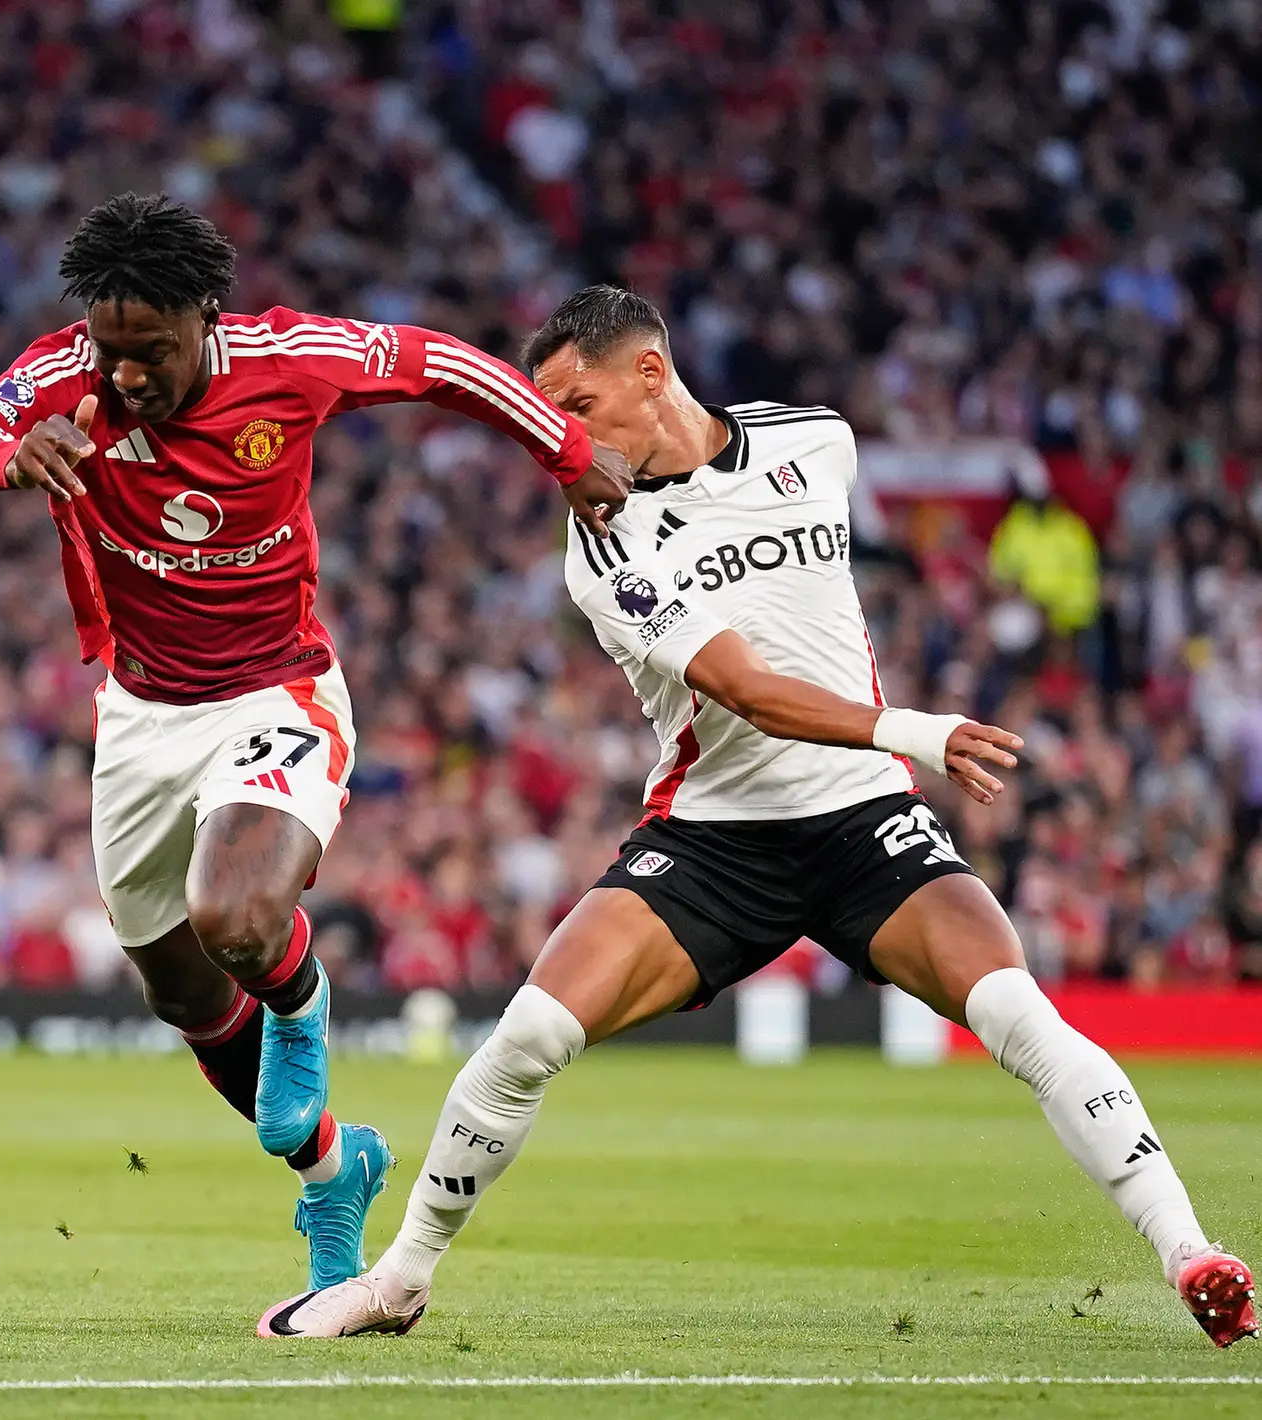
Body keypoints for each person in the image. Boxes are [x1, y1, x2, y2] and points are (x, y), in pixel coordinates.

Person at [257, 285, 1256, 1350]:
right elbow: (741, 686)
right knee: (527, 1036)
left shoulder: (814, 441)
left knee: (1018, 1014)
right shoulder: (601, 539)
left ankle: (1190, 1253)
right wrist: (907, 730)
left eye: (573, 408)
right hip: (712, 837)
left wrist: (889, 740)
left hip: (861, 822)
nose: (557, 442)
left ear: (649, 373)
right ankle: (395, 1283)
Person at [0, 194, 634, 1290]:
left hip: (275, 696)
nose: (125, 378)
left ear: (204, 317)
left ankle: (301, 1003)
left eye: (149, 352)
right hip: (139, 715)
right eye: (110, 352)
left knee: (237, 918)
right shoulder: (66, 373)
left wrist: (567, 449)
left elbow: (438, 361)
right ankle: (330, 1171)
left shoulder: (288, 360)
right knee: (182, 994)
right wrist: (18, 453)